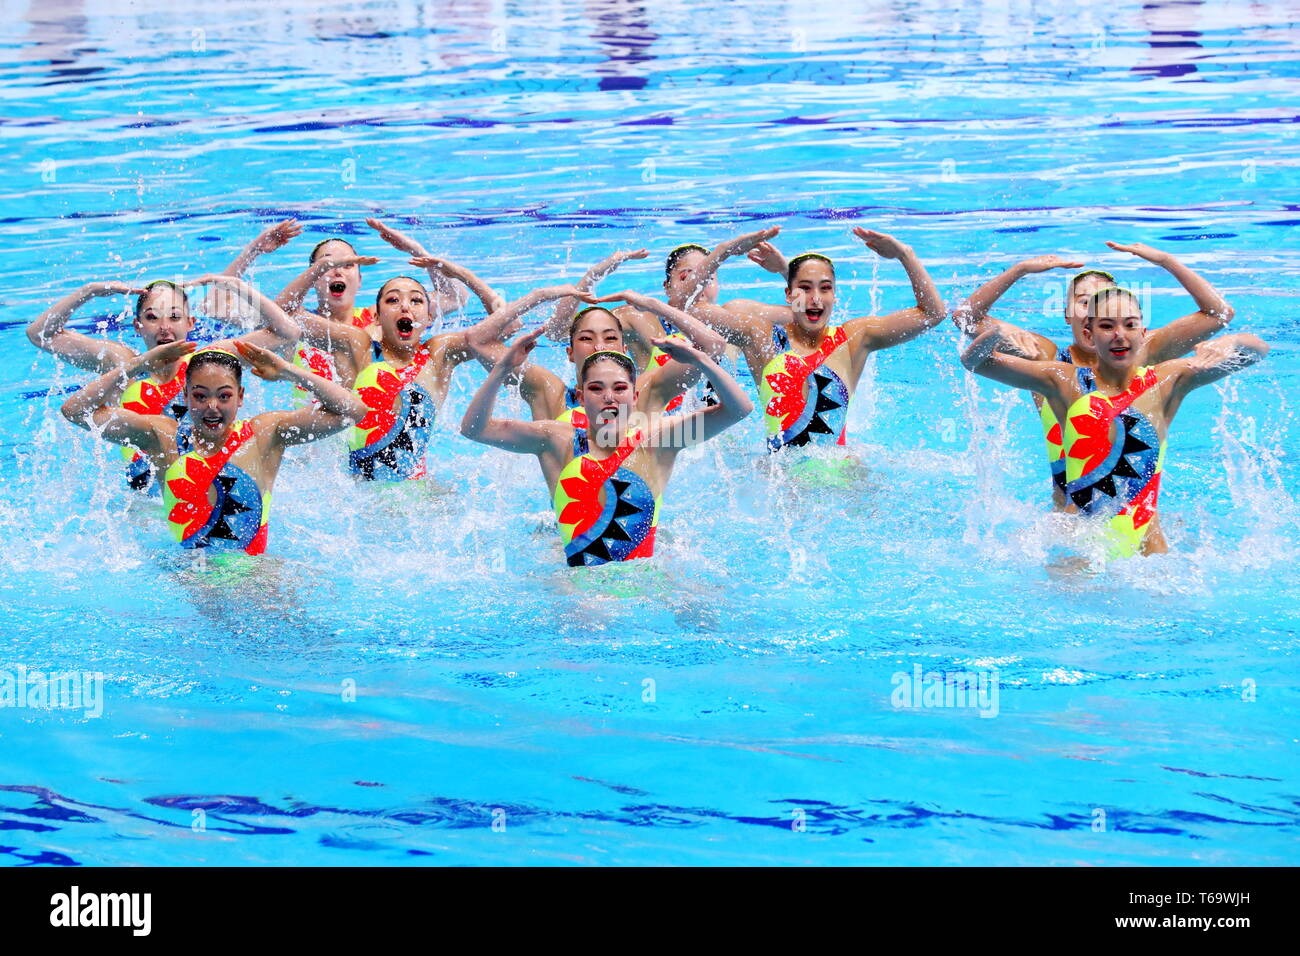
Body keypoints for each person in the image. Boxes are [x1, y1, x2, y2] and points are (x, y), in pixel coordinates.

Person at [962, 286, 1267, 558]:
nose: (1120, 334)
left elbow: (1257, 352)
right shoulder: (1064, 381)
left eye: (1130, 325)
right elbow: (974, 362)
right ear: (1090, 336)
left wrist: (1235, 340)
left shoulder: (1168, 380)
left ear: (1143, 333)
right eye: (1107, 326)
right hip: (1079, 545)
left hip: (1147, 547)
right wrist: (997, 336)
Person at [951, 242, 1234, 505]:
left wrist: (1166, 260)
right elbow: (965, 317)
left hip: (1136, 515)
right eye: (1085, 302)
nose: (1093, 310)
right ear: (1067, 314)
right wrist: (1019, 270)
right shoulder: (1046, 357)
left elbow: (1218, 313)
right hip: (1071, 519)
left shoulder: (1143, 351)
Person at [460, 328, 753, 566]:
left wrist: (701, 361)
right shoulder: (555, 440)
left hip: (646, 587)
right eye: (596, 389)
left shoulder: (658, 440)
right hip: (579, 593)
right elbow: (475, 429)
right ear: (581, 396)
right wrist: (501, 370)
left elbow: (738, 409)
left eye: (620, 388)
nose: (609, 397)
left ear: (635, 397)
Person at [59, 342, 367, 555]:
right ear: (186, 395)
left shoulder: (264, 434)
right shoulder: (162, 436)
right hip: (191, 579)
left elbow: (353, 411)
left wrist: (289, 372)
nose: (212, 407)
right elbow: (75, 411)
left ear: (241, 396)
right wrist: (137, 366)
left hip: (256, 576)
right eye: (200, 395)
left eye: (224, 396)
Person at [26, 273, 301, 490]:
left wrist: (237, 286)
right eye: (152, 318)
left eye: (174, 316)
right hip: (143, 502)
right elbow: (39, 334)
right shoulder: (121, 364)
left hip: (202, 490)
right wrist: (89, 291)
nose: (164, 327)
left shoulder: (208, 363)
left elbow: (287, 332)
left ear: (190, 322)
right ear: (137, 326)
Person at [687, 227, 947, 452]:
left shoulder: (854, 339)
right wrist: (723, 251)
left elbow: (933, 314)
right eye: (804, 288)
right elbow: (688, 308)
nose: (815, 298)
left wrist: (905, 255)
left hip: (843, 479)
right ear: (788, 295)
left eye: (825, 288)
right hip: (783, 484)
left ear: (835, 295)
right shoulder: (763, 338)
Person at [340, 276, 590, 482]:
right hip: (355, 490)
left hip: (414, 493)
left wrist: (537, 295)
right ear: (376, 316)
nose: (405, 306)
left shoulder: (437, 354)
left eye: (416, 300)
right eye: (393, 300)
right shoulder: (359, 348)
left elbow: (503, 329)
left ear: (429, 318)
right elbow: (300, 318)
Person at [274, 219, 471, 387]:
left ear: (359, 280)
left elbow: (456, 298)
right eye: (327, 265)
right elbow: (276, 314)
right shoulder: (299, 325)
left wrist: (416, 250)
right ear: (313, 278)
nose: (337, 270)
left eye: (347, 264)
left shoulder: (379, 317)